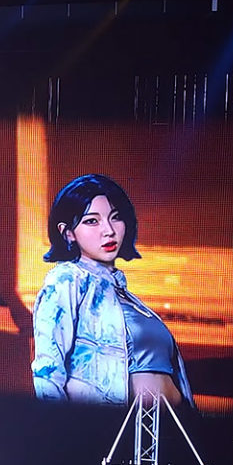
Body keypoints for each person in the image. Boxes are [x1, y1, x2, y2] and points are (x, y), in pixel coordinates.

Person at [30, 174, 195, 409]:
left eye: (115, 218)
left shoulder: (129, 298)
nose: (109, 230)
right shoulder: (67, 280)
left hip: (172, 431)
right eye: (92, 221)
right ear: (68, 232)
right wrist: (62, 434)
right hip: (114, 434)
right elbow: (47, 371)